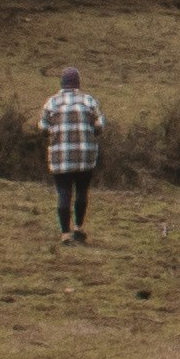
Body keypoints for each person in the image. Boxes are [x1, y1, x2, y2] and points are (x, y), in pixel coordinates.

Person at [38, 67, 104, 244]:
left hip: (61, 156)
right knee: (82, 191)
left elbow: (43, 127)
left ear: (62, 83)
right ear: (78, 82)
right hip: (85, 156)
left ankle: (65, 234)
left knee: (64, 191)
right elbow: (100, 125)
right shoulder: (88, 100)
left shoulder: (52, 102)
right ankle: (78, 228)